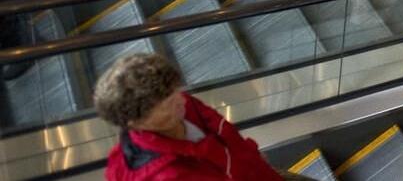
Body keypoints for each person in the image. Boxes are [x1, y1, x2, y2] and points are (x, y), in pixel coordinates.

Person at [94, 53, 314, 180]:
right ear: (137, 122)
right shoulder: (166, 175)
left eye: (176, 91)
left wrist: (249, 156)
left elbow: (224, 136)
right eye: (168, 103)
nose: (181, 100)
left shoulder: (185, 105)